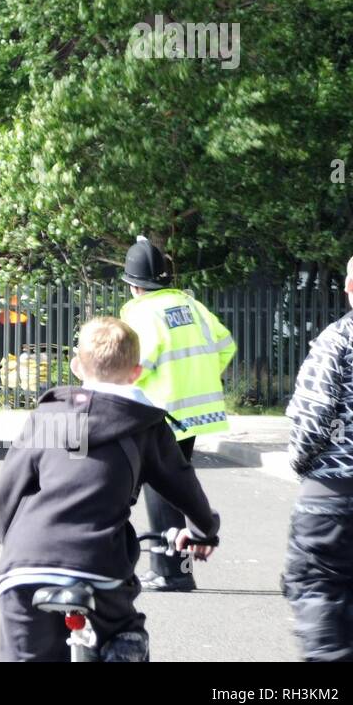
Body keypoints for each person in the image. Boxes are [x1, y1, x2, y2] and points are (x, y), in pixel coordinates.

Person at [0, 316, 220, 662]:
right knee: (126, 633)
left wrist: (7, 537)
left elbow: (5, 495)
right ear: (137, 372)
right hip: (99, 565)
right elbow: (183, 486)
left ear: (77, 366)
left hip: (25, 569)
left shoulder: (49, 418)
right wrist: (203, 531)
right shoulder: (144, 426)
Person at [282, 245, 353, 662]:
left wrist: (302, 465)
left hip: (334, 492)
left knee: (315, 586)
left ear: (349, 285)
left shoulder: (339, 337)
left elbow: (314, 416)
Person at [119, 235, 235, 591]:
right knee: (176, 483)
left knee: (160, 487)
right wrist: (197, 378)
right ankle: (177, 569)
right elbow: (225, 345)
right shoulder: (191, 304)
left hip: (160, 410)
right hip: (194, 410)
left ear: (134, 285)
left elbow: (135, 365)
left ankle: (171, 572)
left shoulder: (140, 313)